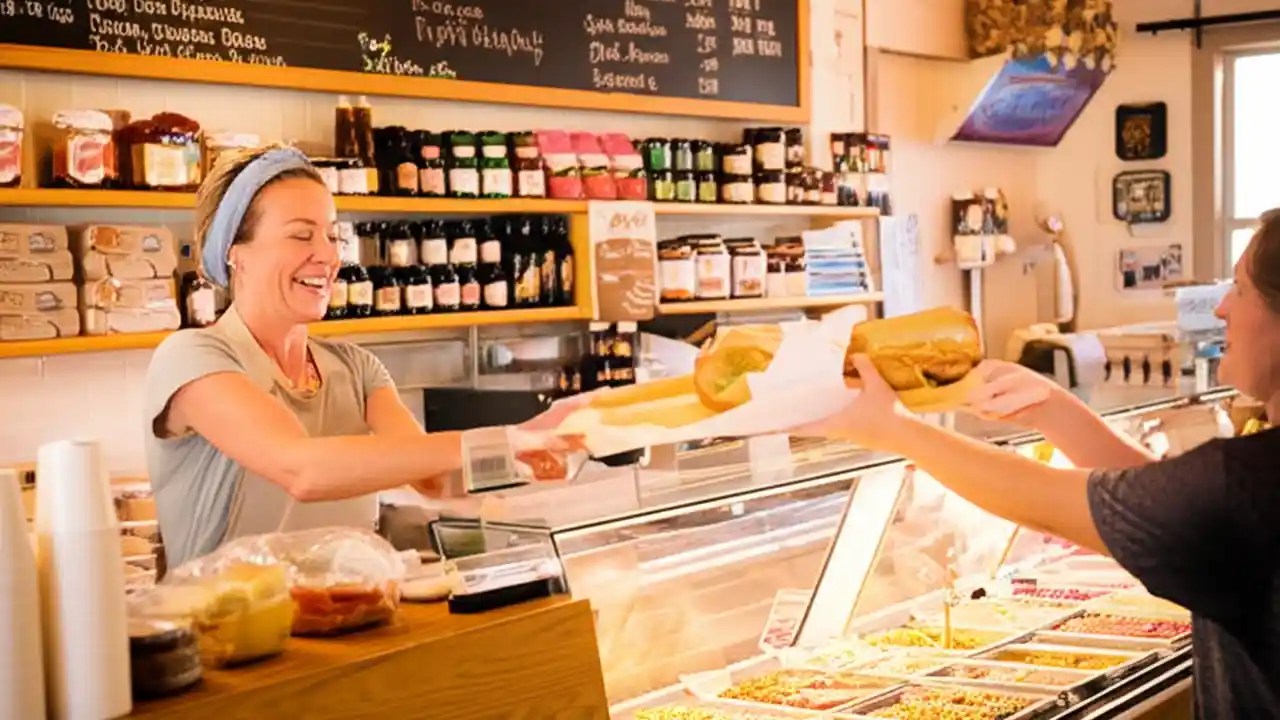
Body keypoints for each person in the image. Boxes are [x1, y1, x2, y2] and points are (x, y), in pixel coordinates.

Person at [796, 209, 1280, 718]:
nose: (1222, 307)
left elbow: (1043, 501)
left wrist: (891, 427)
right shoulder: (1247, 478)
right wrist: (1051, 407)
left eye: (1241, 289)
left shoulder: (1250, 483)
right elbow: (1164, 503)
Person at [144, 145, 574, 568]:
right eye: (300, 235)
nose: (329, 255)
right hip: (228, 632)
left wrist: (541, 439)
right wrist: (501, 440)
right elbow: (302, 470)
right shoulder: (192, 358)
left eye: (333, 235)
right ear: (236, 255)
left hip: (343, 623)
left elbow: (436, 476)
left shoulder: (355, 369)